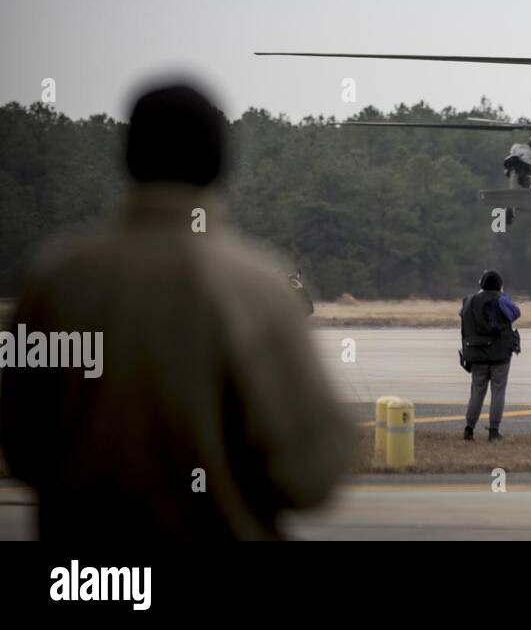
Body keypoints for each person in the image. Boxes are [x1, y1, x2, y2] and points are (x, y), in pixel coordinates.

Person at [0, 83, 351, 540]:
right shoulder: (259, 288)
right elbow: (311, 473)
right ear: (221, 164)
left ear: (126, 159)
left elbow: (23, 446)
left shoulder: (55, 281)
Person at [459, 269, 521, 441]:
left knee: (477, 391)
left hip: (475, 354)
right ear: (499, 286)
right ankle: (493, 431)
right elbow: (515, 313)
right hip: (499, 354)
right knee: (498, 391)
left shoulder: (468, 300)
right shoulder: (500, 299)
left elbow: (462, 315)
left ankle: (469, 429)